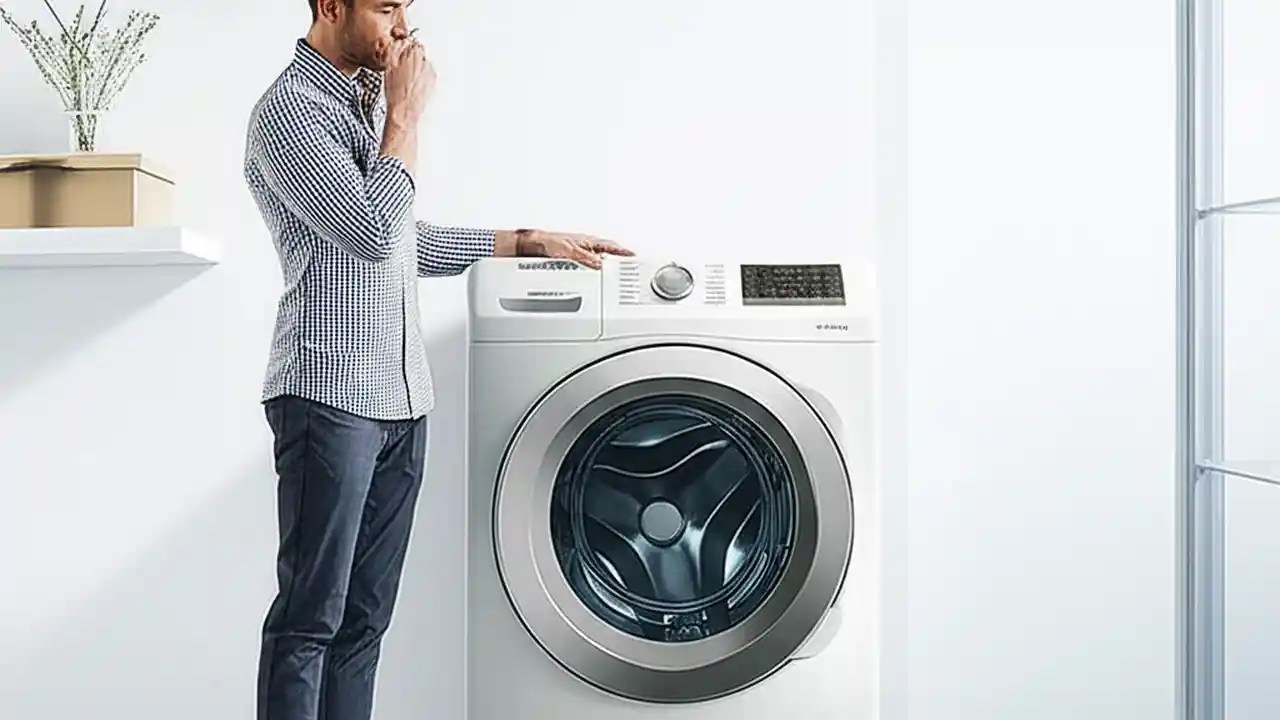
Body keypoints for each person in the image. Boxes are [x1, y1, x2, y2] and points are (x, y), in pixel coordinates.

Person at [241, 1, 634, 718]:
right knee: (309, 621)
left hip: (399, 403)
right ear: (331, 6)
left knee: (363, 625)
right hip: (328, 400)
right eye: (386, 6)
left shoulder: (357, 105)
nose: (402, 26)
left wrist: (526, 239)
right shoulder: (290, 112)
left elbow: (403, 241)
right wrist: (405, 118)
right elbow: (371, 233)